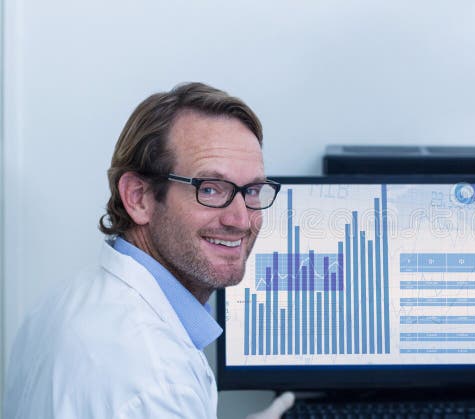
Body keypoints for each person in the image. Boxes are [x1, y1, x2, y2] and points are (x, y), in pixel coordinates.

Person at [4, 82, 295, 418]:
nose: (241, 219)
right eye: (211, 189)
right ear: (138, 198)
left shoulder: (64, 300)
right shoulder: (154, 381)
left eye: (253, 190)